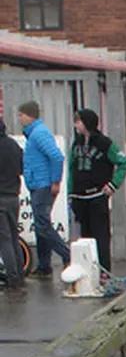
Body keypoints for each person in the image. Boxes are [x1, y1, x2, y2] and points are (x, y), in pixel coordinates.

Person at [67, 108, 126, 276]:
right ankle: (88, 269)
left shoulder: (105, 143)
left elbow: (124, 163)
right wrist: (70, 192)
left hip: (97, 197)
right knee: (85, 237)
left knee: (100, 235)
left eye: (78, 120)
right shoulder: (77, 143)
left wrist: (113, 184)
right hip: (79, 197)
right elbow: (72, 168)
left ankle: (104, 271)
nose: (76, 124)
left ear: (87, 123)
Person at [16, 101, 72, 278]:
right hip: (37, 184)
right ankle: (44, 265)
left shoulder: (39, 134)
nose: (19, 118)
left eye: (21, 115)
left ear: (29, 115)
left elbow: (57, 156)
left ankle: (67, 255)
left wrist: (55, 181)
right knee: (42, 225)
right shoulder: (34, 133)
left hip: (42, 185)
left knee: (43, 226)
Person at [0, 120, 24, 293]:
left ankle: (12, 279)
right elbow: (22, 168)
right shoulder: (13, 145)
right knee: (14, 237)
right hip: (13, 196)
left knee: (4, 240)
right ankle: (19, 275)